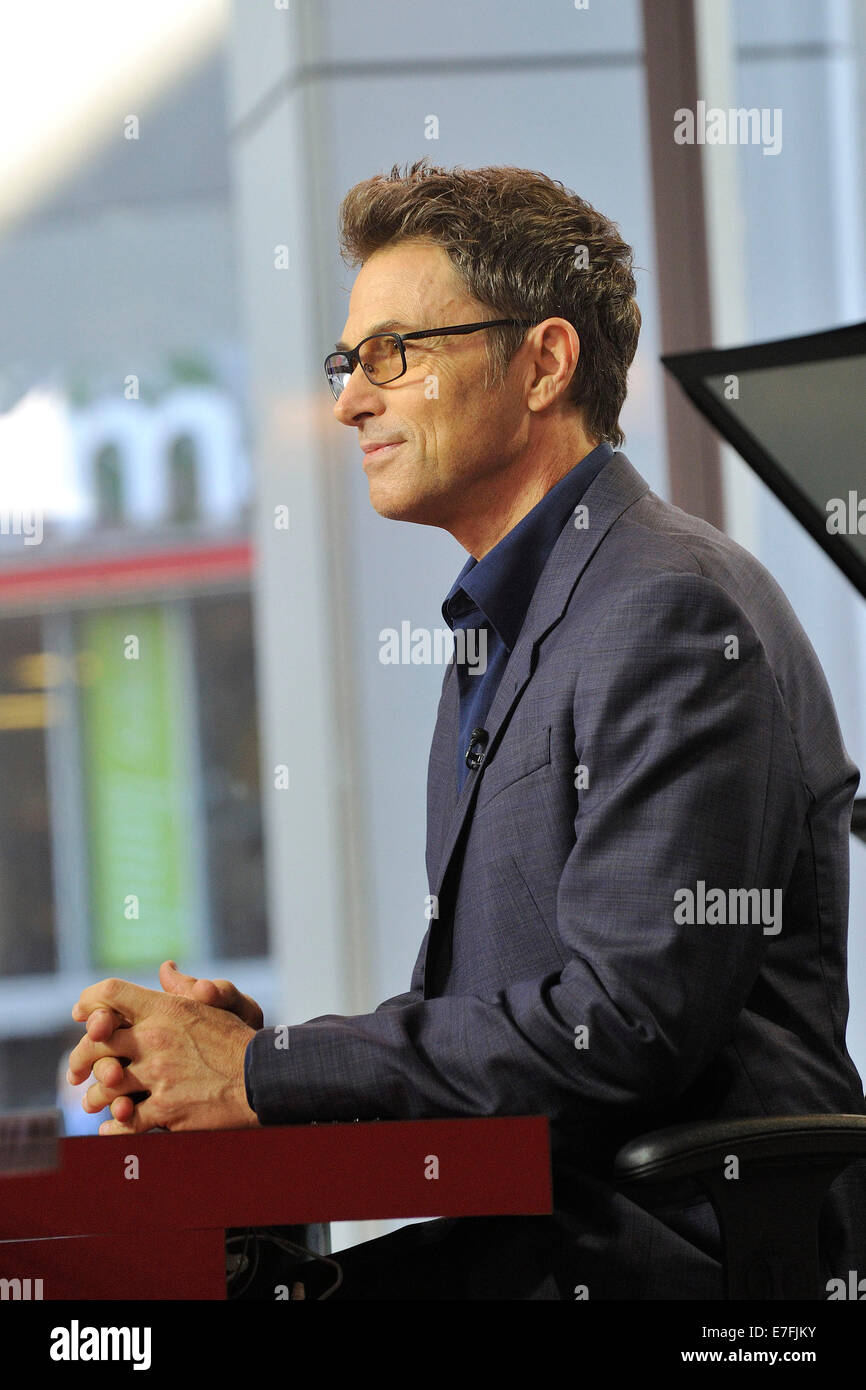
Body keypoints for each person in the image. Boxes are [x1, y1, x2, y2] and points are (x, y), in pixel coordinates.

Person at [68, 160, 866, 1299]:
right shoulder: (512, 620)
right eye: (349, 362)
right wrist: (249, 1058)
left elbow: (624, 1022)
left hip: (674, 1256)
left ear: (541, 362)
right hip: (553, 1228)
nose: (348, 400)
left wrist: (269, 1073)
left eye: (393, 353)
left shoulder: (668, 608)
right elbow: (491, 1024)